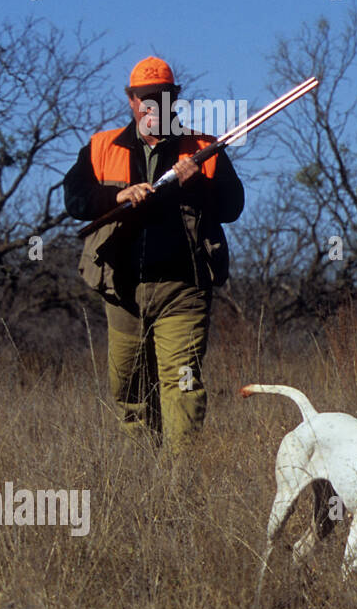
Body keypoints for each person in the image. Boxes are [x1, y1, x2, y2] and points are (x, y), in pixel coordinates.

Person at [63, 57, 244, 451]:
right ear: (131, 101)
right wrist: (117, 195)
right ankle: (145, 479)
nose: (152, 106)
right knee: (128, 389)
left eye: (161, 98)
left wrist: (197, 186)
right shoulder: (100, 147)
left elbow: (232, 207)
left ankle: (182, 487)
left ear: (173, 99)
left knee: (182, 384)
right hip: (121, 292)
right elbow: (74, 200)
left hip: (183, 291)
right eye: (145, 99)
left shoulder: (202, 149)